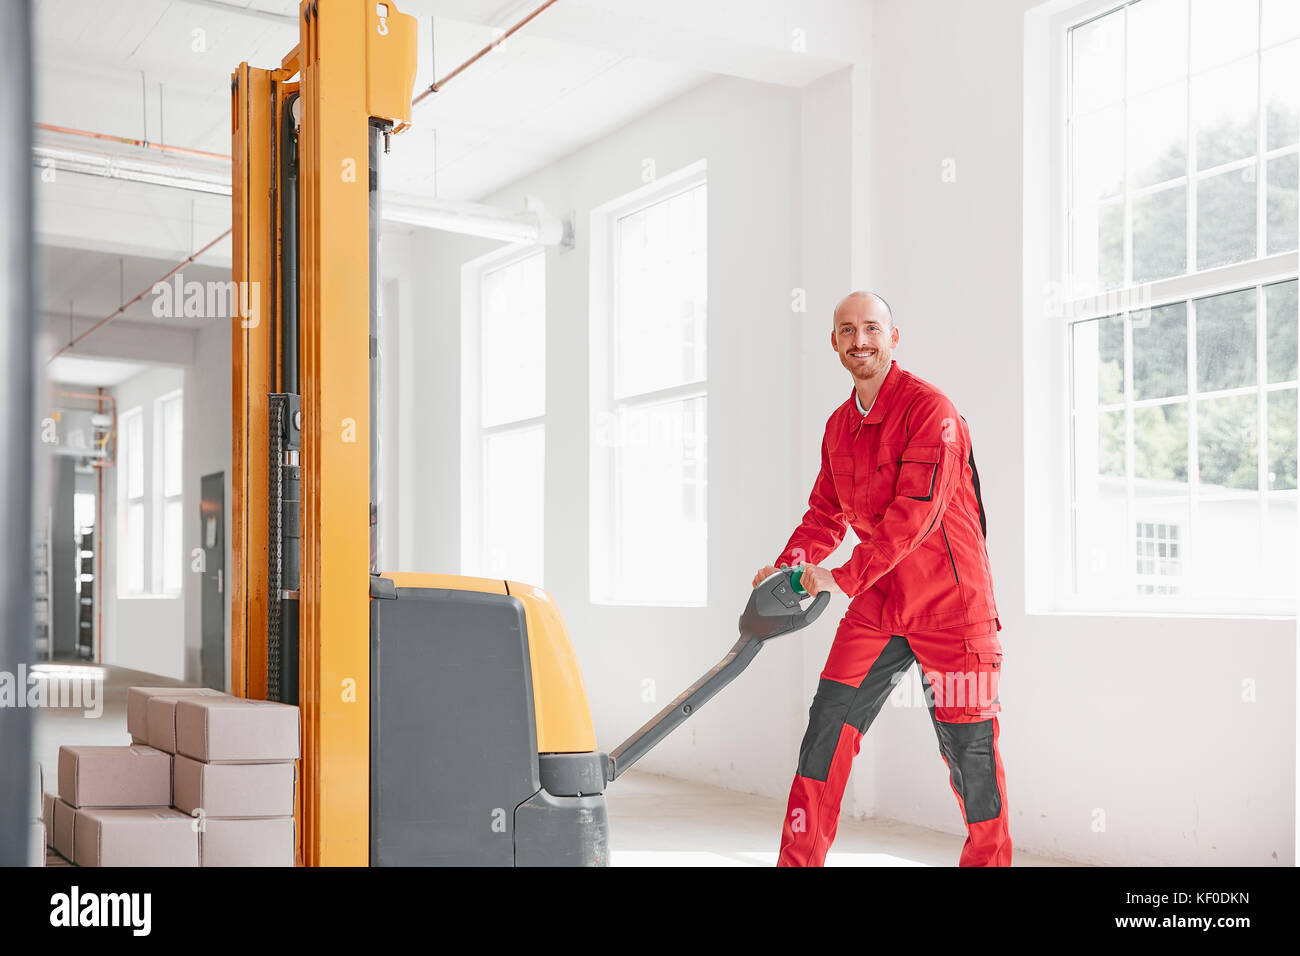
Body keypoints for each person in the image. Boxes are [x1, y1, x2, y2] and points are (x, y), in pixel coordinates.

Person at [753, 291, 1011, 867]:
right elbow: (825, 513)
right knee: (826, 732)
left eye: (872, 327)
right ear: (834, 342)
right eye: (847, 330)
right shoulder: (839, 426)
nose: (860, 339)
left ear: (895, 337)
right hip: (878, 604)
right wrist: (790, 568)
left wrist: (840, 578)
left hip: (954, 609)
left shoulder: (931, 410)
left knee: (970, 755)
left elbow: (912, 518)